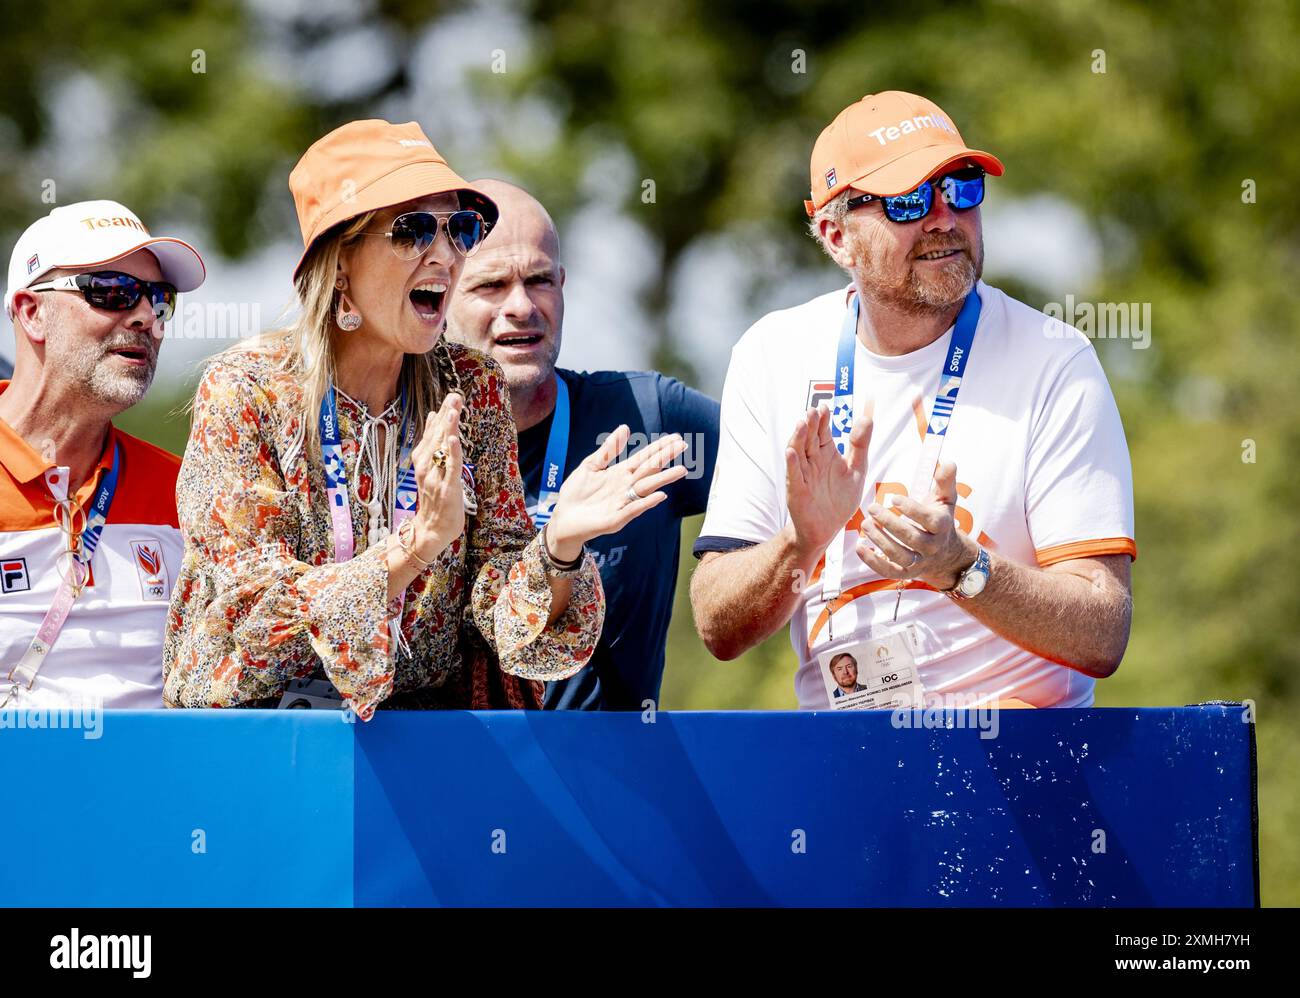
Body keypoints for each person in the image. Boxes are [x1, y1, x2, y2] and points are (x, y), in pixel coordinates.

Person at [163, 121, 689, 719]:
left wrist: (559, 546)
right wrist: (412, 550)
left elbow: (499, 611)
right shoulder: (249, 388)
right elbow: (253, 616)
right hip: (259, 741)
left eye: (460, 228)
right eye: (413, 231)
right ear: (339, 264)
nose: (446, 253)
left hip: (423, 744)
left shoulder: (471, 383)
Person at [691, 91, 1135, 710]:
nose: (945, 218)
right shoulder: (773, 354)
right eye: (908, 201)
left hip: (1018, 760)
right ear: (835, 235)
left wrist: (959, 567)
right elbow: (718, 626)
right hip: (849, 760)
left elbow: (1103, 631)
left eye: (962, 187)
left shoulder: (1056, 360)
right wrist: (801, 540)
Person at [446, 180, 719, 710]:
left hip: (611, 782)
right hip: (451, 780)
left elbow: (808, 483)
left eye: (539, 280)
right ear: (437, 298)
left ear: (564, 286)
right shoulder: (391, 439)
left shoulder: (647, 417)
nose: (521, 306)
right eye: (490, 286)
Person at [0, 200, 206, 707]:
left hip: (153, 785)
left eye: (159, 300)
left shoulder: (187, 489)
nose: (144, 317)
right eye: (111, 292)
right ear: (32, 312)